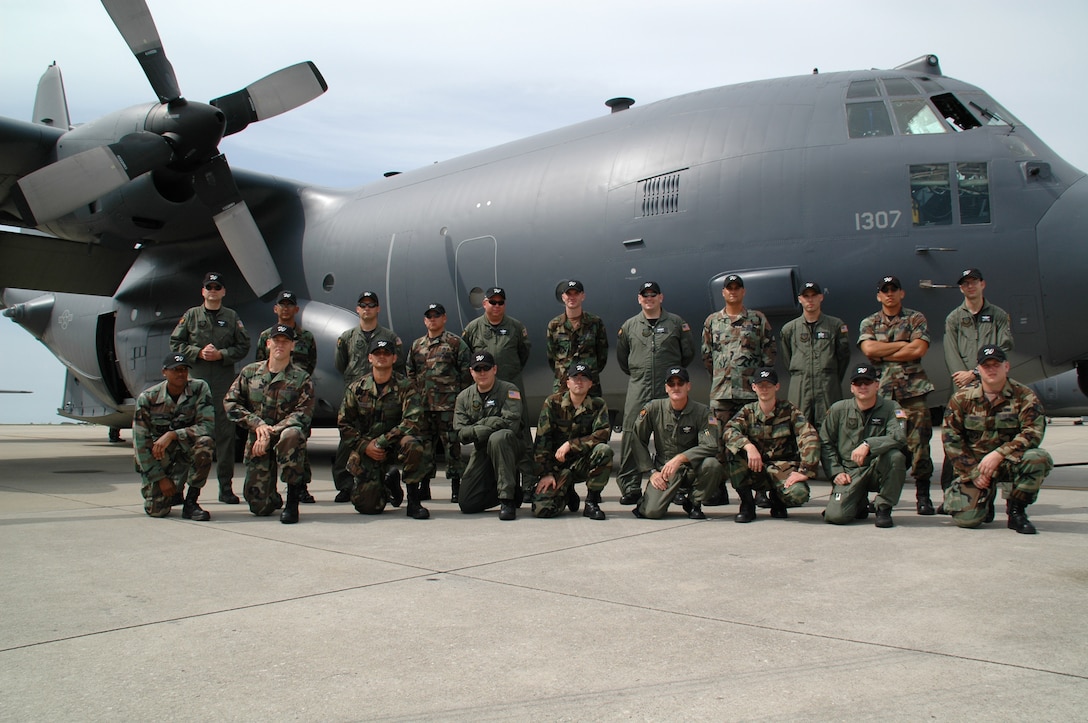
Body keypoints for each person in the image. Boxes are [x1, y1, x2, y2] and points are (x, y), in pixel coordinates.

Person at [942, 345, 1052, 534]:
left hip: (1009, 462)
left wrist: (999, 454)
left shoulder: (1024, 396)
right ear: (979, 369)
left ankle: (1017, 511)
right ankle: (985, 501)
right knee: (968, 520)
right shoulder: (961, 398)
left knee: (1038, 458)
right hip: (977, 466)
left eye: (996, 365)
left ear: (1006, 367)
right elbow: (951, 440)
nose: (991, 369)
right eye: (986, 366)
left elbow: (1033, 432)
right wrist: (973, 473)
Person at [169, 271, 252, 504]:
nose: (213, 291)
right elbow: (175, 343)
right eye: (209, 287)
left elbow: (243, 345)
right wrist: (198, 353)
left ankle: (225, 487)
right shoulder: (191, 316)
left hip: (222, 385)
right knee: (188, 435)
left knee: (225, 437)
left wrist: (221, 355)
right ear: (203, 291)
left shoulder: (232, 316)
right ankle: (178, 487)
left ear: (223, 291)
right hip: (195, 386)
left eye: (217, 287)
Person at [858, 275, 936, 516]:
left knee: (919, 446)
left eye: (894, 289)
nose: (889, 293)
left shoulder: (915, 318)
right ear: (879, 295)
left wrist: (883, 353)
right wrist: (904, 346)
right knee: (882, 445)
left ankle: (923, 497)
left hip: (912, 393)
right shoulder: (869, 322)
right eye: (885, 290)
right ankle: (884, 496)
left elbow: (919, 348)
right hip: (882, 395)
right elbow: (869, 349)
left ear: (901, 293)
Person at [615, 281, 696, 505]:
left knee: (673, 437)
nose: (649, 298)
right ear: (639, 299)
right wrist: (640, 374)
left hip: (667, 387)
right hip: (639, 387)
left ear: (661, 297)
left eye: (653, 294)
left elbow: (687, 354)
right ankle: (630, 486)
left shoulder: (676, 324)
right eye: (644, 295)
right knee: (632, 432)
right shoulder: (629, 326)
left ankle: (676, 484)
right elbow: (623, 359)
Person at [223, 325, 314, 524]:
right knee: (259, 507)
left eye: (285, 341)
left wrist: (271, 431)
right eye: (276, 340)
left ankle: (292, 502)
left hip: (283, 439)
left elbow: (303, 413)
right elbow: (230, 403)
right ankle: (272, 497)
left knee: (293, 434)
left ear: (292, 346)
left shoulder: (302, 379)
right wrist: (257, 425)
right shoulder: (250, 373)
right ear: (268, 343)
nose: (280, 345)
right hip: (258, 442)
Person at [701, 274, 775, 506]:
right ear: (723, 293)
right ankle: (718, 489)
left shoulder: (757, 319)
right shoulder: (712, 321)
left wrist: (757, 383)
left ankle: (760, 489)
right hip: (722, 394)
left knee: (755, 441)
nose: (733, 291)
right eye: (729, 288)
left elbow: (768, 354)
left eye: (737, 288)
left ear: (743, 292)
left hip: (749, 394)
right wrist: (722, 377)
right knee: (718, 444)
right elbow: (707, 356)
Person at [941, 267, 1014, 494]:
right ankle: (950, 491)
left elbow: (1005, 346)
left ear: (983, 284)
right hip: (963, 389)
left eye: (973, 282)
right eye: (965, 283)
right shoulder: (954, 318)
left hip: (992, 385)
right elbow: (950, 351)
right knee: (957, 436)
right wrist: (963, 378)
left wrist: (975, 372)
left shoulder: (999, 316)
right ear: (961, 288)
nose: (969, 286)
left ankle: (1007, 494)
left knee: (1000, 434)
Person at [339, 339, 430, 520]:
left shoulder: (406, 387)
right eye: (377, 353)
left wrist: (381, 442)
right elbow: (344, 424)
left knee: (413, 444)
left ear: (394, 358)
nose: (382, 357)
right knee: (368, 507)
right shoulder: (357, 388)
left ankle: (413, 501)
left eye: (386, 353)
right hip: (368, 448)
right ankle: (388, 485)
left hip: (395, 445)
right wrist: (365, 446)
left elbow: (412, 420)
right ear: (370, 358)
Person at [462, 286, 536, 500]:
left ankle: (529, 484)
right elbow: (466, 356)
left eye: (500, 302)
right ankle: (494, 483)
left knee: (521, 434)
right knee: (491, 434)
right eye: (492, 302)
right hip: (486, 390)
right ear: (484, 303)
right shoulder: (473, 328)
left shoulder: (515, 327)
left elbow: (523, 353)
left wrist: (508, 376)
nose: (496, 306)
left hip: (511, 389)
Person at [333, 290, 404, 502]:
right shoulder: (347, 338)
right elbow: (340, 365)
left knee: (384, 441)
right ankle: (345, 485)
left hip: (383, 397)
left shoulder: (389, 338)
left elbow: (398, 365)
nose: (367, 309)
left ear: (378, 309)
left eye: (371, 305)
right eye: (363, 305)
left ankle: (387, 480)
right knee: (347, 442)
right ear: (357, 309)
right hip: (356, 398)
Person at [723, 367, 819, 523]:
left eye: (769, 385)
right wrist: (748, 446)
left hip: (781, 468)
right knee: (733, 454)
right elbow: (729, 431)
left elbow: (809, 436)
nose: (765, 389)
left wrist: (805, 470)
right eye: (761, 385)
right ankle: (747, 504)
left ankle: (778, 500)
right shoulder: (748, 412)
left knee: (799, 494)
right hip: (755, 468)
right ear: (754, 387)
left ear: (777, 386)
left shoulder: (789, 411)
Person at [819, 363, 908, 528]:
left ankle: (883, 508)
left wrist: (868, 444)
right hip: (850, 472)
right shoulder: (838, 409)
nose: (862, 387)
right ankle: (858, 502)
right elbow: (825, 442)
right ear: (851, 387)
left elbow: (899, 436)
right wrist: (835, 472)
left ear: (877, 385)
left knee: (896, 457)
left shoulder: (891, 408)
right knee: (835, 516)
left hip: (877, 468)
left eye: (867, 382)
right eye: (857, 383)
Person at [630, 366, 722, 520]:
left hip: (692, 468)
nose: (676, 387)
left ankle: (694, 502)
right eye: (671, 384)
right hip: (665, 471)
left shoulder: (703, 412)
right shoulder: (653, 408)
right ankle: (655, 498)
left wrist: (680, 458)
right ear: (666, 388)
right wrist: (651, 472)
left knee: (712, 465)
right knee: (651, 512)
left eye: (680, 383)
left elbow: (710, 445)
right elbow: (637, 439)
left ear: (688, 386)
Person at [133, 352, 215, 521]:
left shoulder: (199, 388)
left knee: (205, 443)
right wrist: (160, 479)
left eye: (184, 369)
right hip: (161, 459)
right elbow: (140, 445)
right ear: (164, 372)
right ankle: (172, 491)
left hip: (186, 451)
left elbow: (207, 426)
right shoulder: (148, 398)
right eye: (175, 369)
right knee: (157, 511)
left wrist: (172, 435)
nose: (180, 373)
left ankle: (191, 502)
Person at [406, 303, 472, 503]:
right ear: (425, 320)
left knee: (452, 449)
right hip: (424, 407)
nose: (432, 319)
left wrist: (458, 399)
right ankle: (424, 487)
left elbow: (466, 373)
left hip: (448, 407)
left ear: (444, 318)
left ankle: (455, 488)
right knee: (425, 449)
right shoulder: (417, 345)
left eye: (437, 315)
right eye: (429, 316)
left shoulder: (454, 343)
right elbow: (410, 372)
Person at [531, 362, 613, 520]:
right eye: (575, 378)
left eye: (584, 378)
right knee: (543, 510)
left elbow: (602, 434)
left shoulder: (598, 405)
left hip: (582, 463)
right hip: (557, 466)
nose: (579, 382)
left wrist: (571, 444)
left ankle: (591, 502)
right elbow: (542, 440)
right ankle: (566, 492)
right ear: (568, 382)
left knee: (604, 451)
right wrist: (545, 473)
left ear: (591, 384)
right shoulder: (552, 403)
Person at [256, 290, 317, 503]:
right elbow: (261, 367)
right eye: (282, 305)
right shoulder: (266, 337)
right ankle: (267, 489)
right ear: (275, 309)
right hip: (271, 400)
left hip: (297, 396)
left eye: (290, 305)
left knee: (298, 441)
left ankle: (299, 487)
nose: (285, 308)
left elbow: (310, 364)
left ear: (296, 309)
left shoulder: (307, 338)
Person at [453, 351, 524, 520]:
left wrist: (477, 427)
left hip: (510, 447)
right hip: (482, 450)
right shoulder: (464, 397)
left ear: (495, 369)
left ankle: (507, 500)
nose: (482, 373)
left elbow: (511, 424)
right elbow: (461, 434)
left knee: (498, 438)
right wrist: (488, 424)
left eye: (486, 368)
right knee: (467, 504)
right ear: (471, 372)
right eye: (478, 369)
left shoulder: (509, 390)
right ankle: (513, 490)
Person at [779, 281, 851, 430]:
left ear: (821, 297)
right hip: (800, 386)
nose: (810, 300)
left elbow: (843, 357)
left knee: (830, 428)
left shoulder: (836, 326)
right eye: (806, 296)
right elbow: (787, 358)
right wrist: (802, 373)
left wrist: (828, 374)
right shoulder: (789, 329)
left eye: (813, 296)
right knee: (800, 427)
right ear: (800, 299)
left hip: (827, 386)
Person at [546, 280, 609, 397]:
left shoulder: (595, 323)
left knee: (591, 414)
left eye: (576, 293)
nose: (572, 297)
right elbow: (551, 356)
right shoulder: (554, 325)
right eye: (569, 294)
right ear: (563, 297)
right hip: (563, 385)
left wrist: (589, 371)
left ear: (583, 296)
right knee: (562, 415)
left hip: (589, 384)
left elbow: (602, 354)